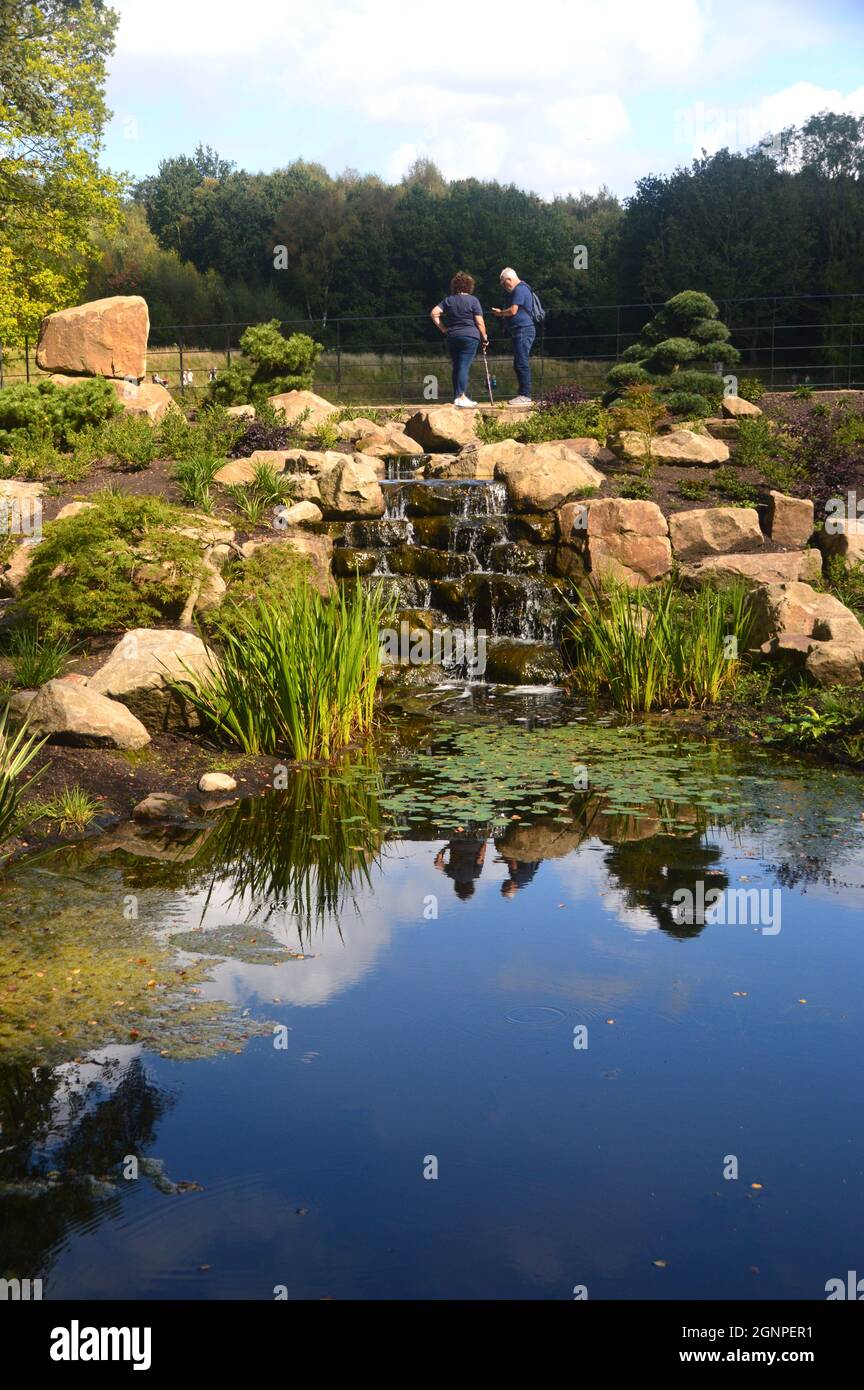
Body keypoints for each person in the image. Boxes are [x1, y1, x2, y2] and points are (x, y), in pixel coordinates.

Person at [430, 272, 489, 408]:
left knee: (456, 366)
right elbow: (479, 322)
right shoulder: (473, 301)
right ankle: (461, 396)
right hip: (470, 336)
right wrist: (484, 337)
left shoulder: (449, 300)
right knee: (464, 366)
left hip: (453, 336)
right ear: (469, 286)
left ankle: (457, 396)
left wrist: (444, 328)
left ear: (455, 286)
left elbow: (434, 313)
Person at [491, 267, 535, 405]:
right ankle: (523, 394)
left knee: (521, 363)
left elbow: (513, 310)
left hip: (523, 329)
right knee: (518, 363)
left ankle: (525, 395)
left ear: (509, 279)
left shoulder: (519, 289)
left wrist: (500, 313)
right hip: (521, 330)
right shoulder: (523, 288)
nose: (505, 287)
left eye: (504, 283)